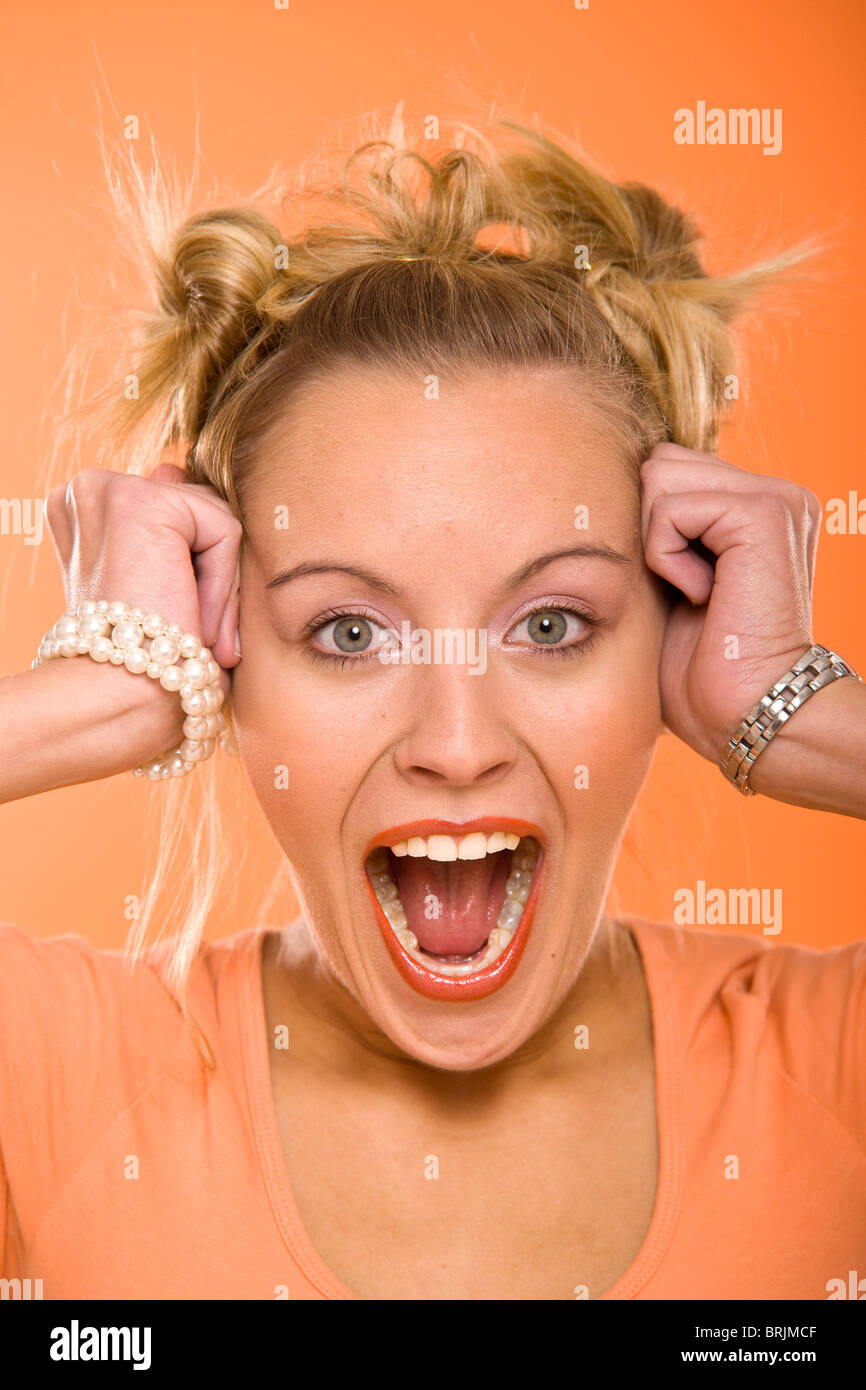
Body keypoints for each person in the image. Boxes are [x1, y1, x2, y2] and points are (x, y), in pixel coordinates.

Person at [1, 112, 864, 1302]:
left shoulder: (831, 1071)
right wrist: (90, 692)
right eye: (348, 633)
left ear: (672, 631)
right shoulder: (54, 1083)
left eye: (551, 625)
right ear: (222, 644)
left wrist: (797, 710)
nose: (455, 748)